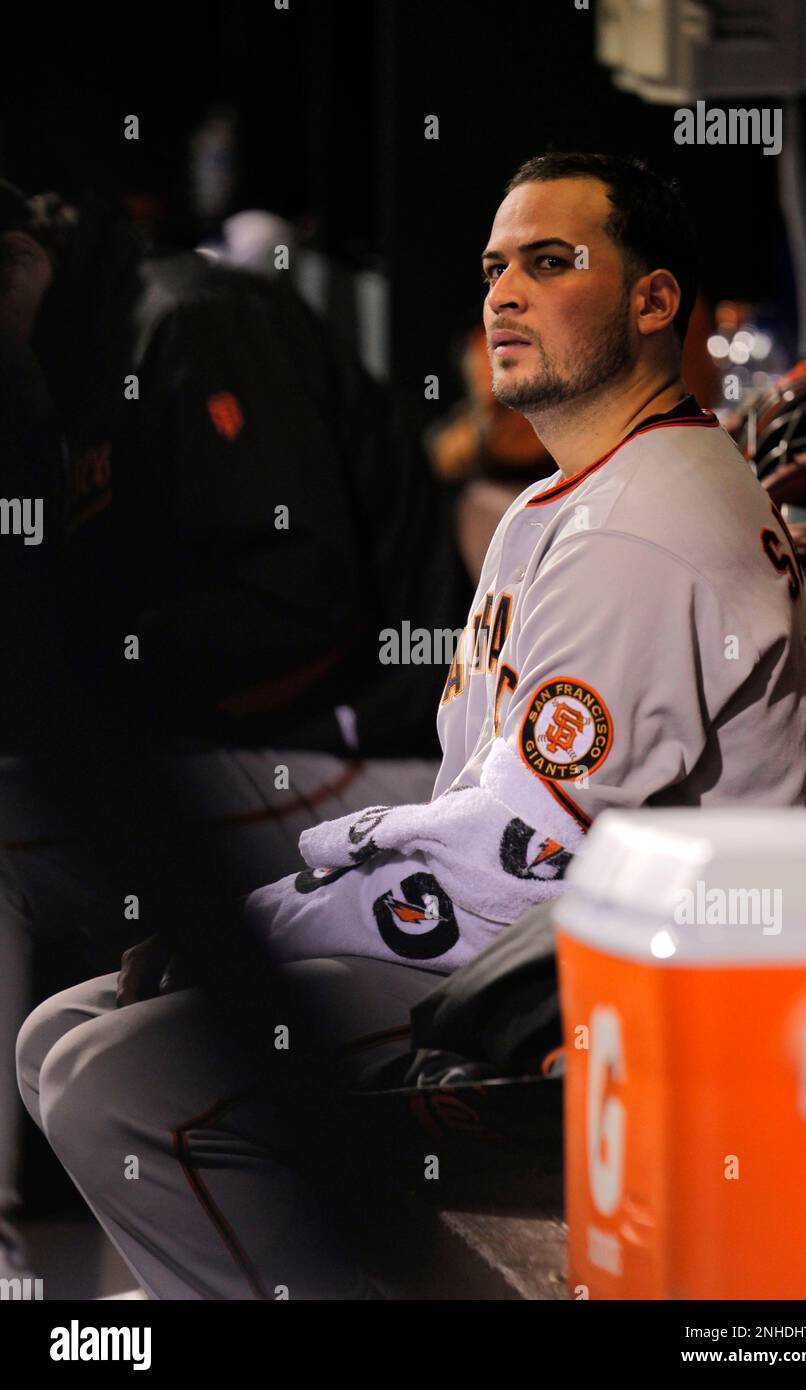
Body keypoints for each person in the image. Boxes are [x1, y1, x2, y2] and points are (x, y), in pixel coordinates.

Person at [16, 152, 806, 1299]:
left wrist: (263, 933)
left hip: (609, 1008)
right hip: (525, 956)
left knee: (115, 1082)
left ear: (654, 301)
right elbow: (481, 824)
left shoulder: (643, 527)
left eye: (551, 262)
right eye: (495, 266)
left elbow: (519, 861)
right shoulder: (572, 497)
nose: (501, 293)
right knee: (61, 1037)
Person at [0, 182, 461, 1277]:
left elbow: (297, 602)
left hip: (389, 753)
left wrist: (98, 680)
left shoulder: (190, 319)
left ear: (23, 253)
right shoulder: (66, 362)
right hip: (273, 763)